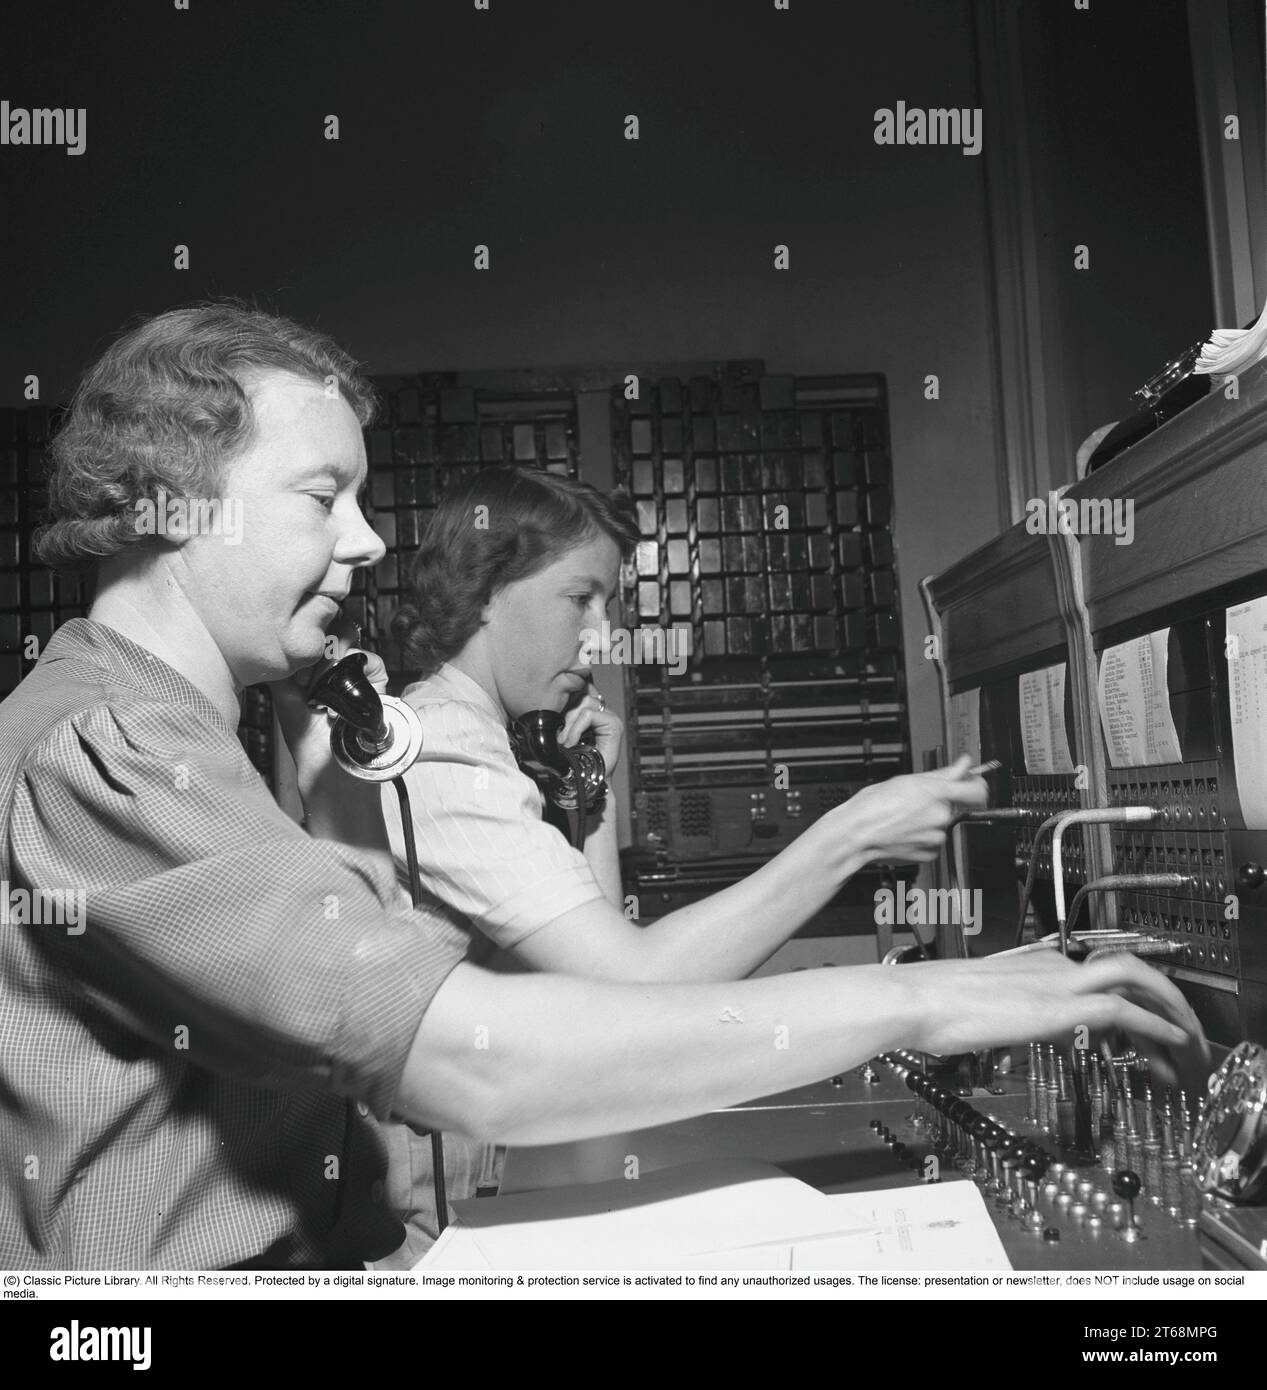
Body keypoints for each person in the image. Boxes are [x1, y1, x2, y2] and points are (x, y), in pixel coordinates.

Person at [0, 301, 1208, 1272]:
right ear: (172, 498)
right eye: (324, 498)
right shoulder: (107, 746)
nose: (366, 541)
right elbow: (477, 1059)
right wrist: (922, 1006)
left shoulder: (167, 727)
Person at [378, 467, 1211, 1249]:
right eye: (580, 600)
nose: (602, 641)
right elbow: (630, 989)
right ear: (487, 593)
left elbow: (596, 988)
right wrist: (848, 834)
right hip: (423, 1241)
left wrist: (589, 788)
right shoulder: (443, 747)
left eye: (611, 608)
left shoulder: (479, 737)